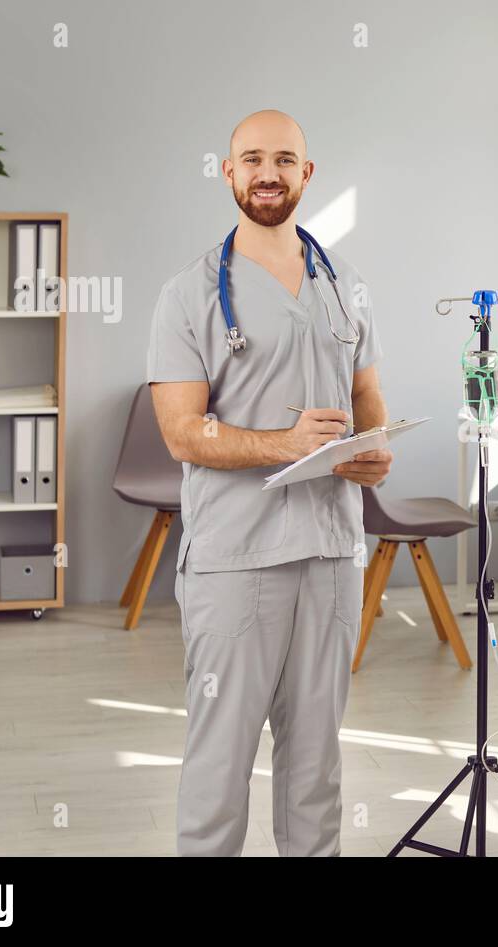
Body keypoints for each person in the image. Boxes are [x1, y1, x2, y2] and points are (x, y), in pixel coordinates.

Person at [147, 109, 391, 856]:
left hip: (328, 551)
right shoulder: (187, 295)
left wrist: (374, 452)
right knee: (221, 761)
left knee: (317, 761)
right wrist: (281, 445)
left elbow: (368, 401)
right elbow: (182, 431)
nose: (268, 173)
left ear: (306, 174)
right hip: (236, 558)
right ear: (229, 173)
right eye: (251, 159)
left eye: (285, 159)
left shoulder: (344, 283)